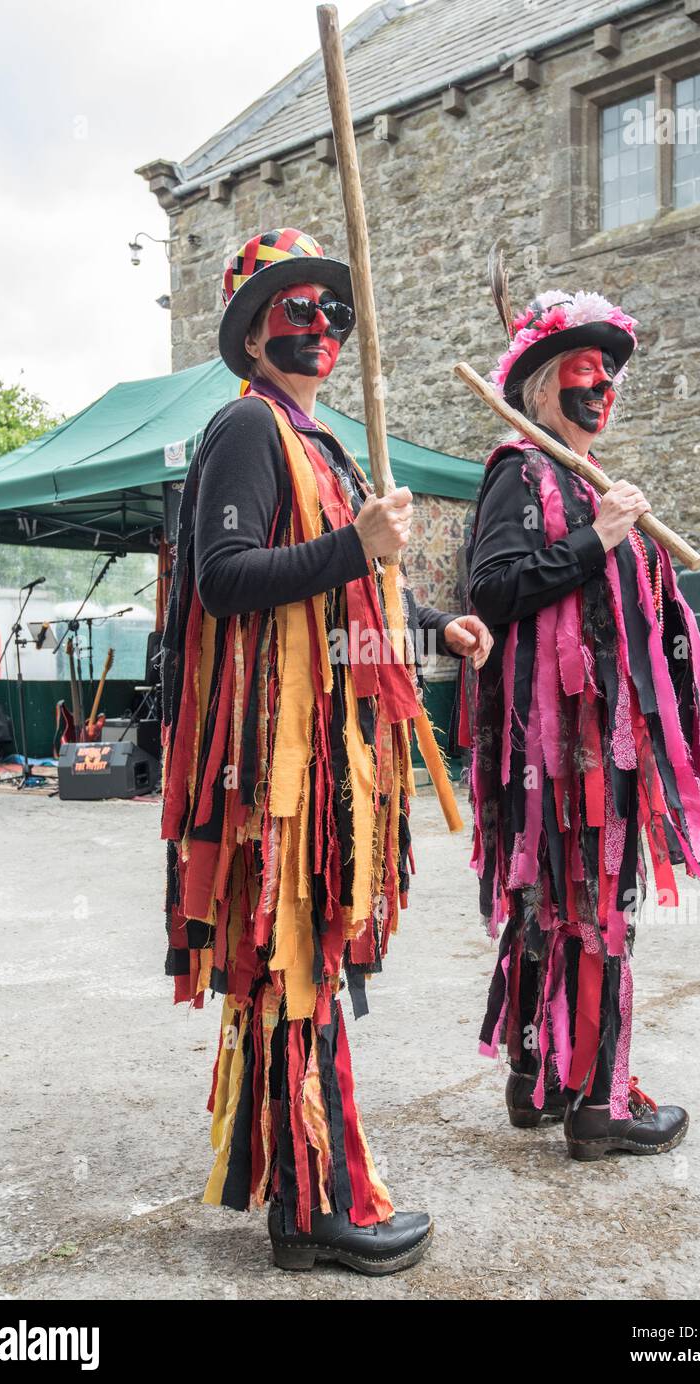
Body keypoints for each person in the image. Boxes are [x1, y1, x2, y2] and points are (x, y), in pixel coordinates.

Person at [160, 228, 491, 1273]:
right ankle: (316, 1206)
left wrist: (432, 622)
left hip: (327, 765)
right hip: (279, 772)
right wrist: (360, 544)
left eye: (333, 312)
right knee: (292, 970)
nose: (320, 328)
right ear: (253, 332)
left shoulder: (317, 442)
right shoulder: (249, 429)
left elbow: (354, 591)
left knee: (295, 978)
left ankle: (303, 1206)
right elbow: (227, 576)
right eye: (297, 310)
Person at [456, 286, 700, 1160]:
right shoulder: (520, 470)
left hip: (603, 738)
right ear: (538, 386)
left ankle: (536, 1081)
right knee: (593, 906)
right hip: (558, 750)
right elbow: (493, 592)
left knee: (560, 903)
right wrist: (601, 538)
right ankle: (600, 1107)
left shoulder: (580, 479)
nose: (600, 389)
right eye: (583, 372)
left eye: (610, 378)